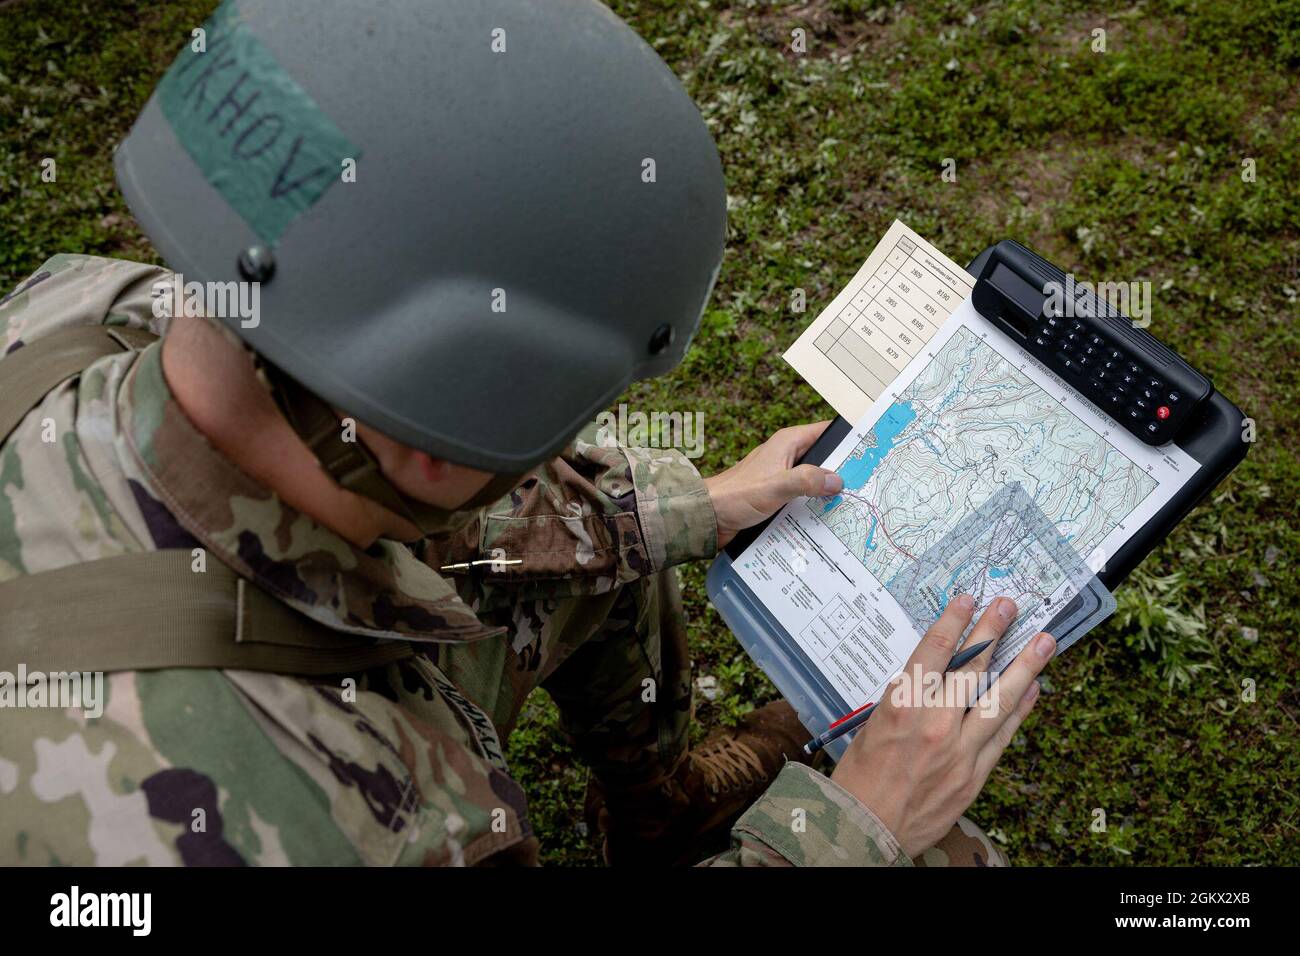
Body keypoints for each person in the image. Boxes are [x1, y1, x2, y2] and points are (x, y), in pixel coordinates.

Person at [0, 0, 1052, 867]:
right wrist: (854, 829)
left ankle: (659, 806)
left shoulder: (82, 312)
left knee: (607, 537)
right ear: (424, 446)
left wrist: (694, 504)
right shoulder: (374, 823)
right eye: (551, 422)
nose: (558, 446)